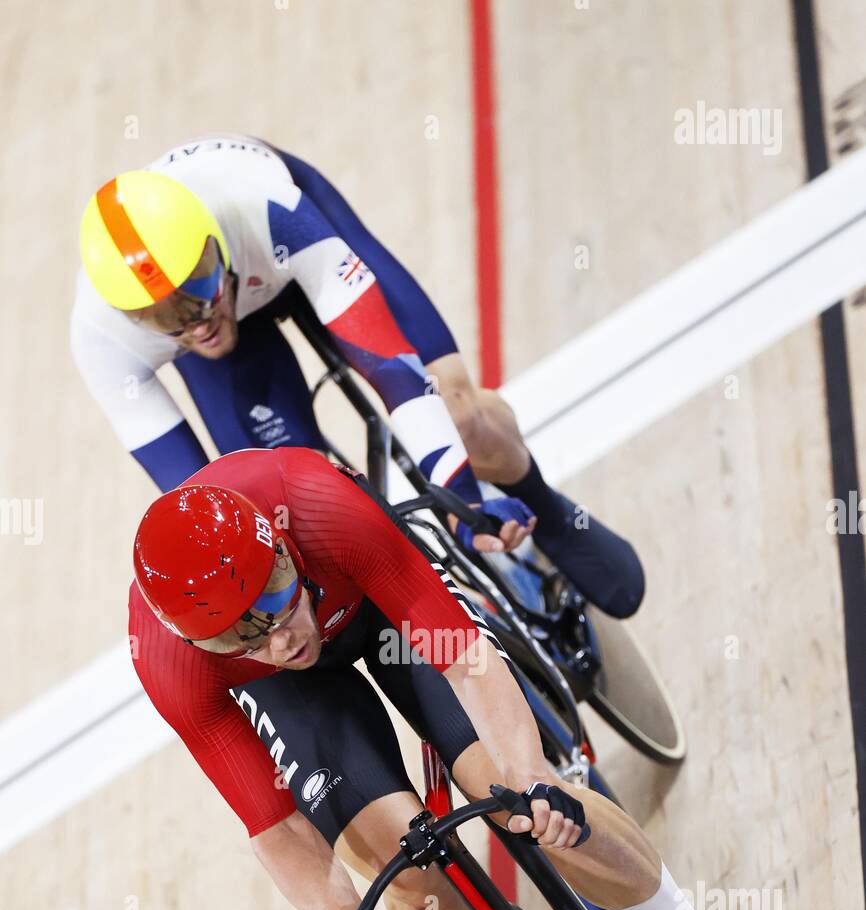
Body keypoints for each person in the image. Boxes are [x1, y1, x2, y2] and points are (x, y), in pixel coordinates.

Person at [129, 442, 790, 910]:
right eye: (241, 637)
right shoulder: (170, 658)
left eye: (273, 603)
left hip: (376, 606)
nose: (277, 641)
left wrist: (531, 779)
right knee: (407, 876)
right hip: (294, 699)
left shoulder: (316, 505)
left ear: (280, 549)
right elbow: (275, 827)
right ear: (198, 642)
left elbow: (466, 663)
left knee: (522, 803)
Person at [74, 131, 644, 617]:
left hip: (288, 260)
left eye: (196, 297)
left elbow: (396, 371)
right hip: (238, 317)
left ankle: (545, 508)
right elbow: (200, 507)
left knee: (458, 412)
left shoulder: (269, 209)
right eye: (163, 320)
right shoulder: (101, 336)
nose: (194, 326)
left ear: (216, 247)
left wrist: (464, 502)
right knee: (289, 516)